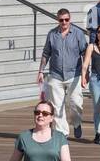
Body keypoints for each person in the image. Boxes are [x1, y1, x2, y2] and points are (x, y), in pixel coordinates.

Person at [37, 8, 89, 139]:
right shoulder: (52, 34)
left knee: (76, 103)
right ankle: (63, 133)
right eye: (61, 20)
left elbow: (85, 53)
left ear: (70, 19)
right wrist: (41, 71)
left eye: (66, 19)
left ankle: (76, 123)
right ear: (57, 20)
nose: (64, 22)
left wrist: (85, 72)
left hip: (74, 75)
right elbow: (46, 54)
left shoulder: (78, 34)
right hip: (56, 75)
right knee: (56, 105)